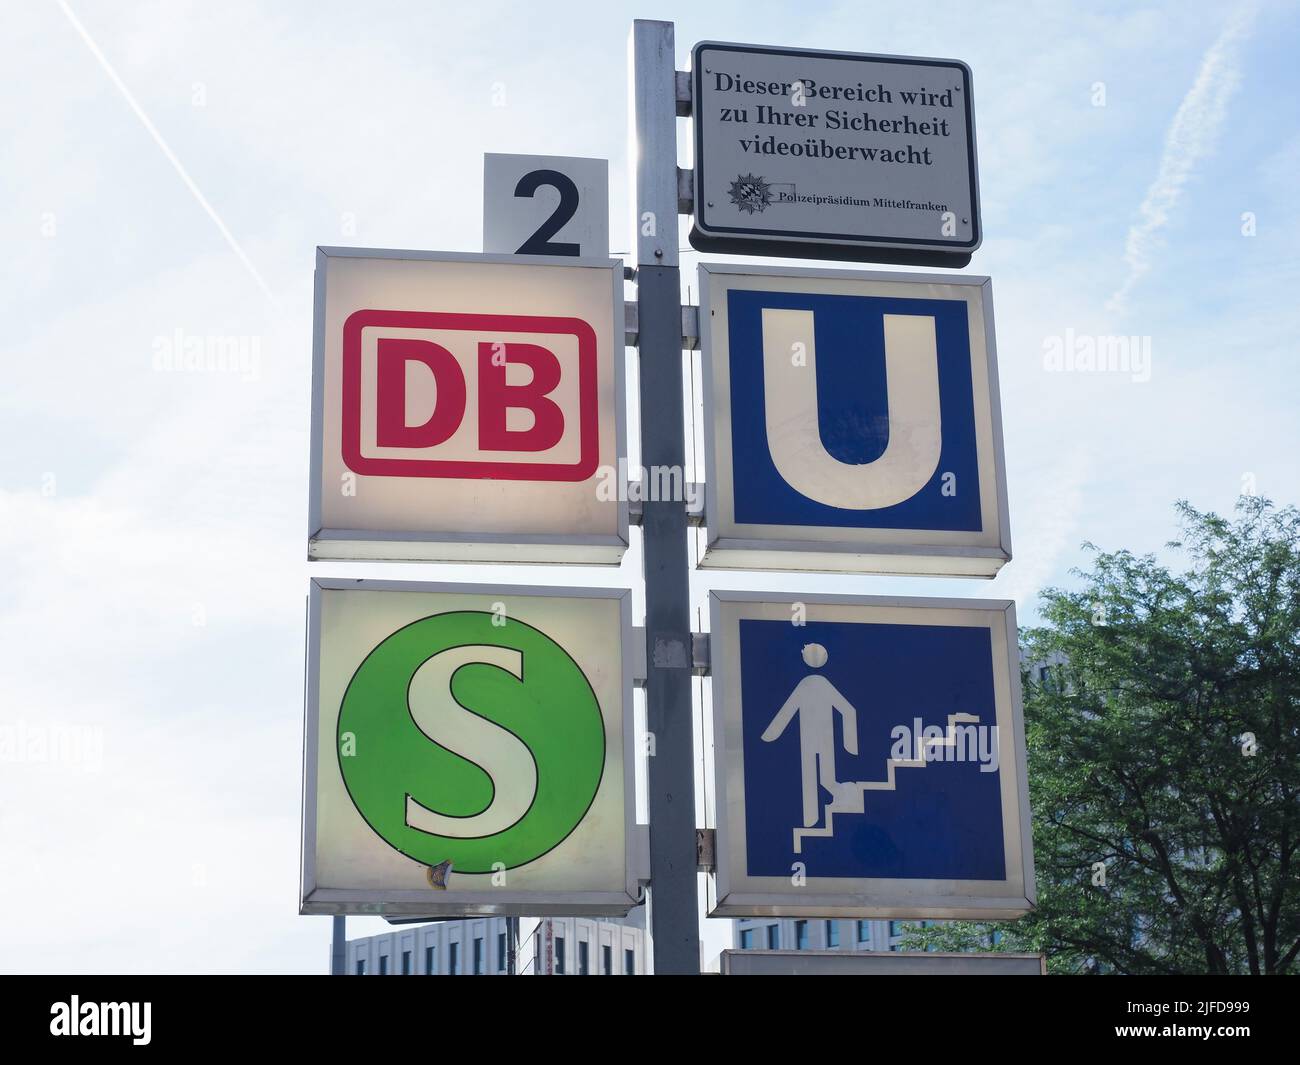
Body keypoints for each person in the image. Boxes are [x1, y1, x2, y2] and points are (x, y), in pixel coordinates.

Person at [761, 643, 860, 829]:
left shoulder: (819, 685)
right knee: (810, 779)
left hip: (824, 739)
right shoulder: (806, 685)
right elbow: (788, 711)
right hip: (810, 740)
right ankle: (811, 822)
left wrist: (850, 743)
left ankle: (837, 802)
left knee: (824, 778)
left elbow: (847, 710)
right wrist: (771, 734)